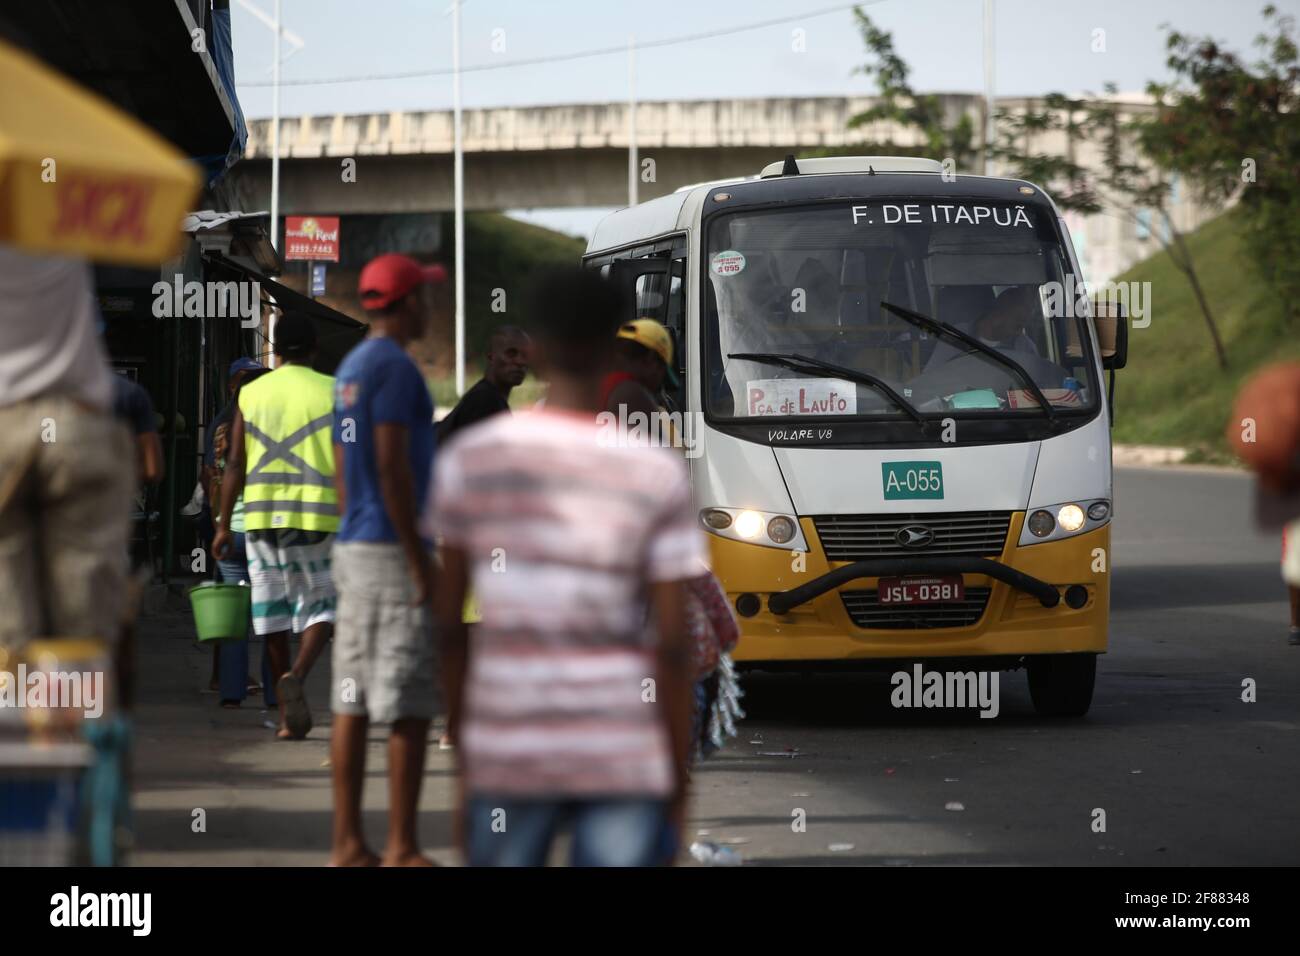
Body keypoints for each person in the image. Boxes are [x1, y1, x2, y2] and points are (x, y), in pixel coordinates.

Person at [428, 267, 703, 867]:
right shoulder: (656, 473)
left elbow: (448, 625)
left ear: (539, 350)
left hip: (510, 746)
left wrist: (467, 756)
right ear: (614, 346)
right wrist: (677, 781)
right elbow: (673, 643)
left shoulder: (476, 461)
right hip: (620, 748)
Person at [329, 253, 442, 867]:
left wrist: (359, 523)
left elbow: (347, 465)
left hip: (355, 542)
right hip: (392, 550)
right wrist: (418, 560)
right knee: (406, 699)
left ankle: (347, 841)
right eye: (424, 295)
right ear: (406, 304)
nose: (430, 306)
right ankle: (401, 845)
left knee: (351, 694)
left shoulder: (351, 367)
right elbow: (392, 462)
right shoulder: (396, 369)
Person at [0, 245, 135, 650]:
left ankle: (14, 702)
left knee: (8, 624)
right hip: (75, 421)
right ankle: (72, 703)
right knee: (82, 623)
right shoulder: (62, 205)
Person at [214, 313, 338, 740]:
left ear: (277, 351)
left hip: (261, 516)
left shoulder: (252, 394)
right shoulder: (334, 390)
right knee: (323, 609)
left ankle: (287, 717)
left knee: (271, 617)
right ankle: (298, 674)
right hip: (318, 514)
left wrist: (222, 525)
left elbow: (234, 462)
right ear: (315, 348)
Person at [204, 358, 269, 701]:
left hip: (231, 528)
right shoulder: (264, 420)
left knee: (232, 614)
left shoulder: (221, 423)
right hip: (262, 526)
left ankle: (229, 688)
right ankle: (277, 694)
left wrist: (220, 524)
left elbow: (213, 472)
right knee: (275, 614)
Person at [436, 325, 529, 445]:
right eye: (511, 354)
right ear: (491, 356)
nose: (520, 362)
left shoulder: (489, 397)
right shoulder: (485, 401)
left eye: (525, 355)